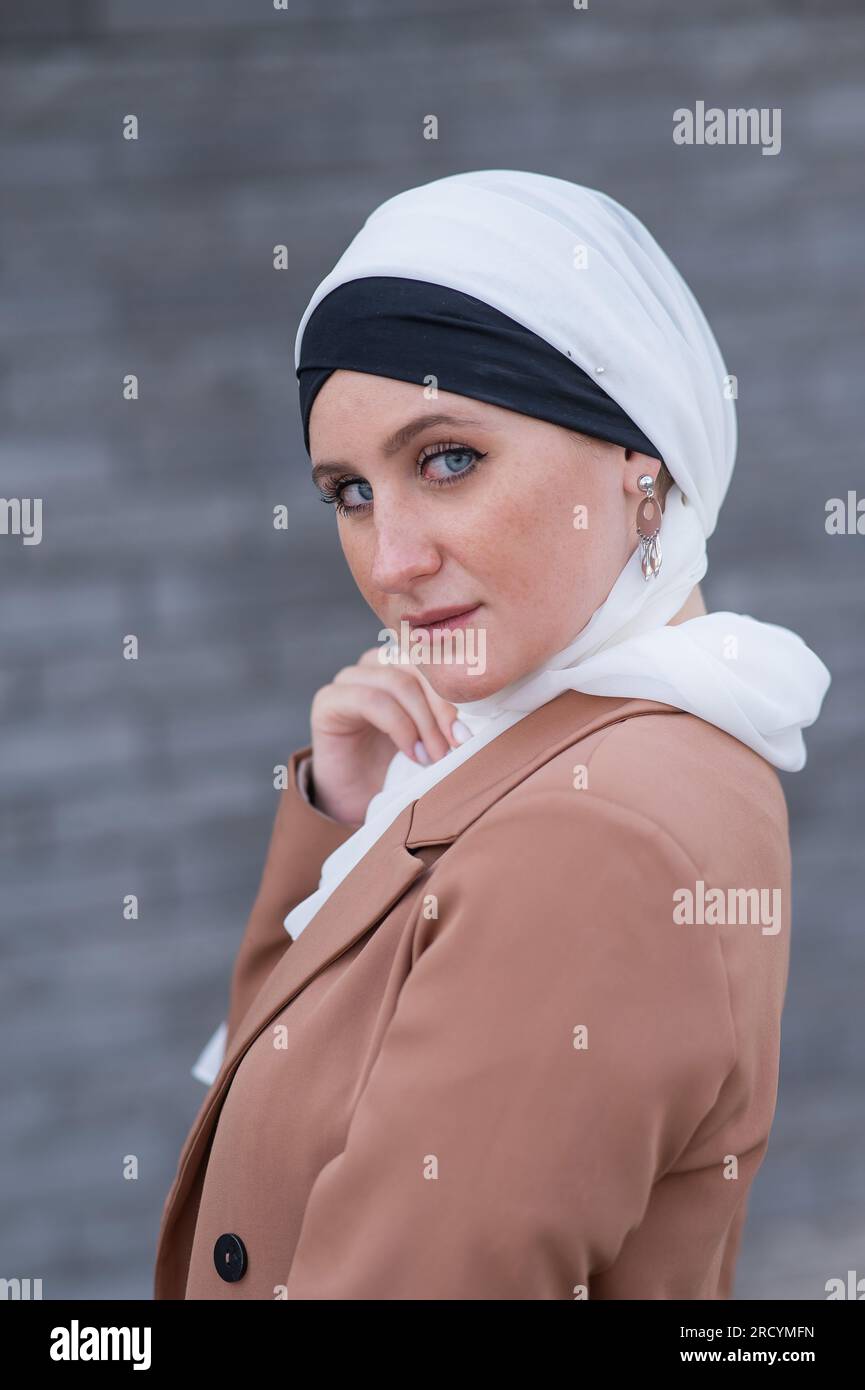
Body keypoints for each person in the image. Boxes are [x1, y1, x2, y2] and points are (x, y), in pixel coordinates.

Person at [154, 170, 830, 1300]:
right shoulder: (578, 743)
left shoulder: (590, 835)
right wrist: (345, 811)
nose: (389, 559)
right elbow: (283, 1108)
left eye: (447, 459)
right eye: (349, 492)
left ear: (641, 463)